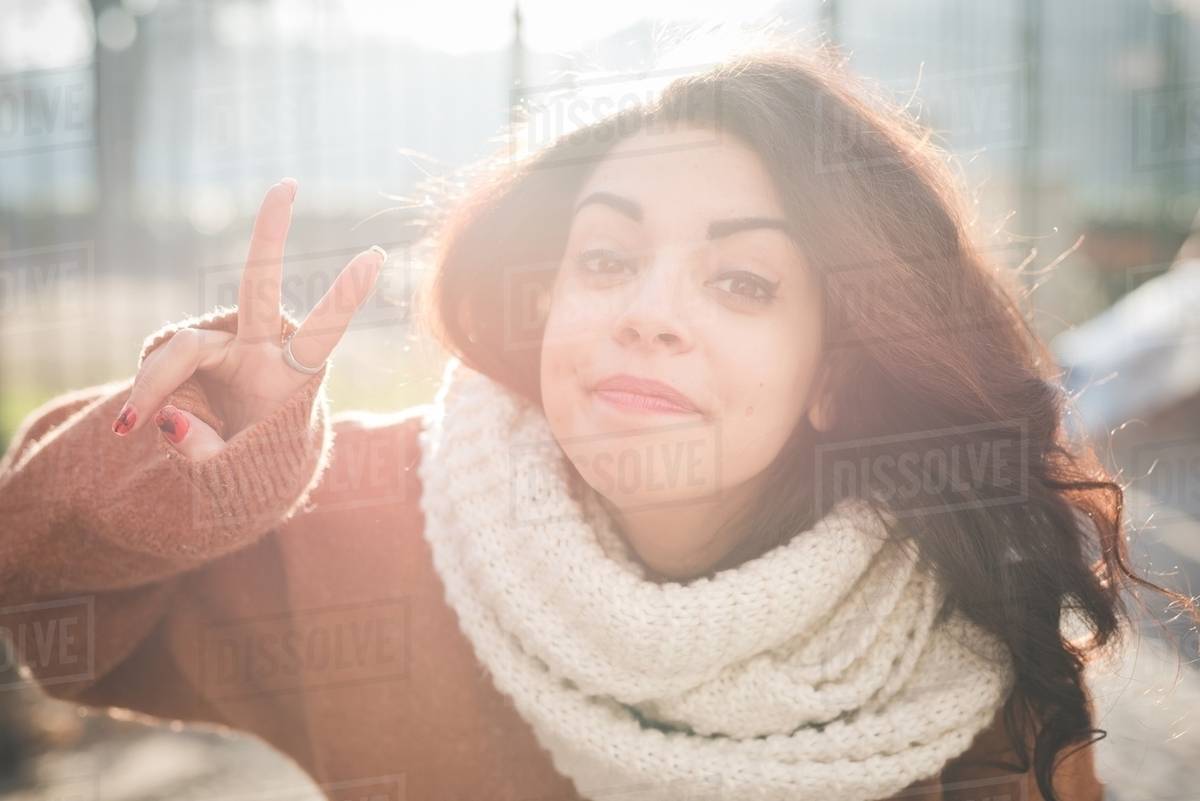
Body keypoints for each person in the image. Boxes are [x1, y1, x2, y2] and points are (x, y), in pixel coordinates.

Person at [1, 45, 1191, 801]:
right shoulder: (375, 520)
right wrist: (194, 474)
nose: (647, 316)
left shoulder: (971, 651)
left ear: (837, 374)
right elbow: (60, 618)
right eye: (607, 257)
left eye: (742, 283)